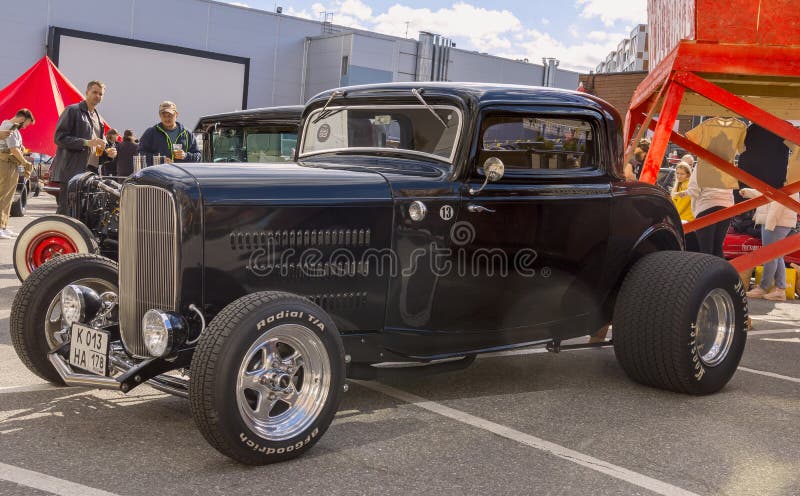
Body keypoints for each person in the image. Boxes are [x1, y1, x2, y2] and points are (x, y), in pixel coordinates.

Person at [51, 80, 109, 214]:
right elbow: (59, 138)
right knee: (67, 211)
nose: (97, 96)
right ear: (87, 92)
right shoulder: (72, 110)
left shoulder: (99, 119)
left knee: (84, 212)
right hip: (72, 171)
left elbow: (98, 149)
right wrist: (86, 142)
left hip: (91, 172)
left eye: (100, 94)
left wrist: (108, 154)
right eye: (95, 92)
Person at [740, 186, 800, 301]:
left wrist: (770, 222)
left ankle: (763, 288)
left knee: (769, 255)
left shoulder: (784, 180)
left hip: (775, 222)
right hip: (778, 222)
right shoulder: (785, 179)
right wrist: (748, 192)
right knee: (777, 255)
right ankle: (780, 289)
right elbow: (768, 194)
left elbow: (777, 202)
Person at [685, 162, 734, 258]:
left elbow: (693, 190)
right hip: (726, 207)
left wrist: (695, 211)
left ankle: (708, 268)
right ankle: (720, 268)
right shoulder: (728, 163)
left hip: (706, 206)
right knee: (718, 247)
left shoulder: (702, 163)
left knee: (705, 249)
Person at [0, 109, 35, 239]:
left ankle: (3, 226)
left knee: (8, 197)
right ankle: (0, 227)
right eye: (26, 123)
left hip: (10, 164)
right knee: (4, 196)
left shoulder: (13, 128)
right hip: (6, 164)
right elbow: (13, 149)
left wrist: (21, 149)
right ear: (22, 119)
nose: (25, 127)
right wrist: (25, 162)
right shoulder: (9, 127)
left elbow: (17, 147)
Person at [138, 101, 200, 165]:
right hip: (159, 171)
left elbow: (198, 156)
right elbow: (140, 154)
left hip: (181, 171)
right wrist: (160, 159)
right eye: (164, 116)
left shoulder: (187, 134)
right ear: (160, 115)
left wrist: (185, 156)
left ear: (176, 114)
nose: (167, 118)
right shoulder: (151, 132)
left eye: (170, 115)